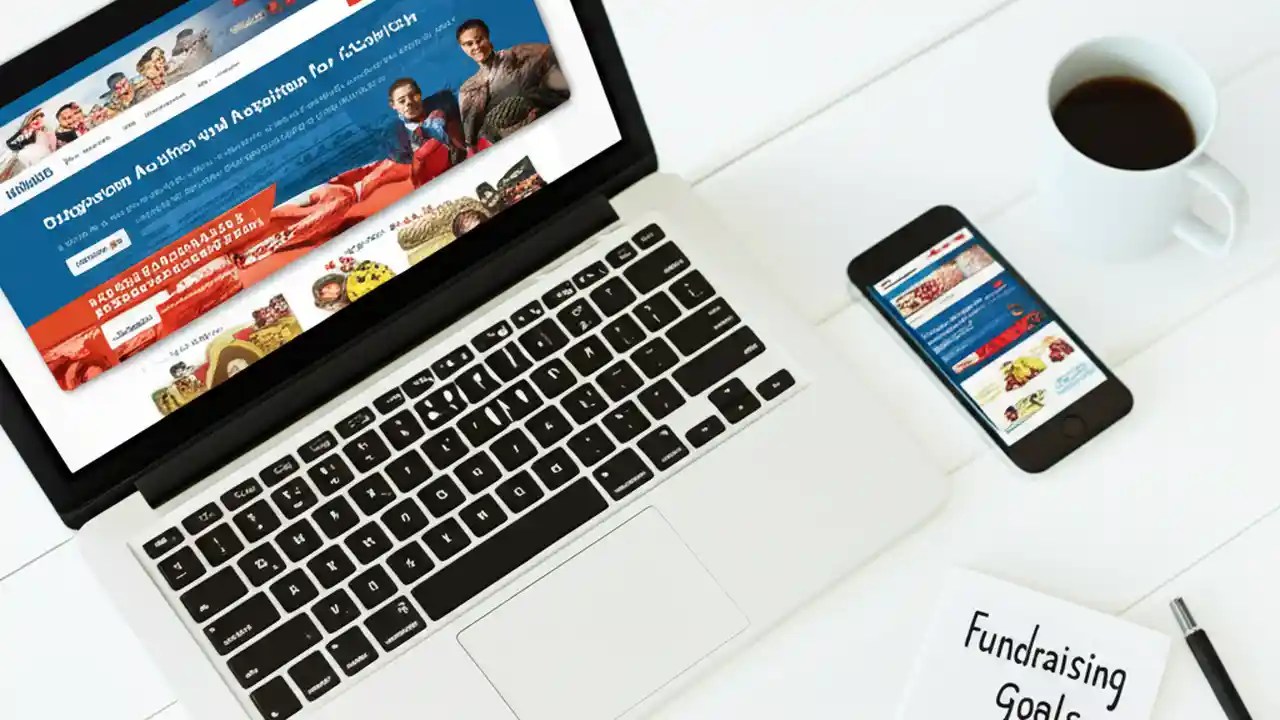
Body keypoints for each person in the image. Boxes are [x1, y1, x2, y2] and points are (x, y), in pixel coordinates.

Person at [456, 18, 569, 152]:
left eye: (480, 40)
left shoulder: (518, 55)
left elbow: (555, 55)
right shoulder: (468, 89)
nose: (476, 47)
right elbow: (471, 138)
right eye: (469, 44)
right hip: (506, 144)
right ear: (463, 48)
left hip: (543, 119)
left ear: (488, 37)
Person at [385, 78, 466, 186]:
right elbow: (409, 173)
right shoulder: (396, 139)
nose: (409, 102)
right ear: (393, 105)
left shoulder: (445, 104)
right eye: (402, 101)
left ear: (420, 94)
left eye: (413, 96)